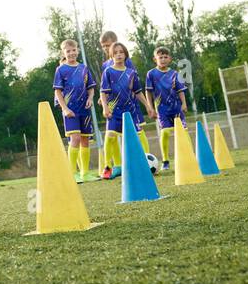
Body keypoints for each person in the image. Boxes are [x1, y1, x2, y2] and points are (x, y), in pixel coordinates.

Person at [98, 32, 153, 176]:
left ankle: (146, 161)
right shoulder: (106, 67)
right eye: (105, 47)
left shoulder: (129, 66)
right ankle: (113, 166)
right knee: (111, 136)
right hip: (113, 107)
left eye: (108, 45)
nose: (108, 49)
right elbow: (104, 88)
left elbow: (136, 88)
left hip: (131, 107)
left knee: (138, 134)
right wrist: (104, 102)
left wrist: (147, 105)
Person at [53, 39, 96, 183]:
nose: (71, 53)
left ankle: (85, 173)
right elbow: (58, 91)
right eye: (68, 51)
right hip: (70, 111)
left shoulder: (84, 68)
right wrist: (64, 108)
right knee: (75, 138)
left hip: (84, 109)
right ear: (63, 53)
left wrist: (90, 98)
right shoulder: (61, 70)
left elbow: (90, 86)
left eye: (74, 50)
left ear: (77, 50)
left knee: (85, 140)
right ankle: (72, 173)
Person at [145, 46, 189, 173]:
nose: (163, 59)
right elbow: (148, 91)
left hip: (176, 108)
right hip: (162, 110)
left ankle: (188, 156)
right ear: (155, 59)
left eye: (165, 57)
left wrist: (184, 104)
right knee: (165, 132)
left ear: (169, 59)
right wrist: (150, 107)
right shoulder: (151, 74)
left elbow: (180, 90)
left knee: (184, 132)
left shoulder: (175, 74)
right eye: (160, 57)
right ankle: (165, 160)